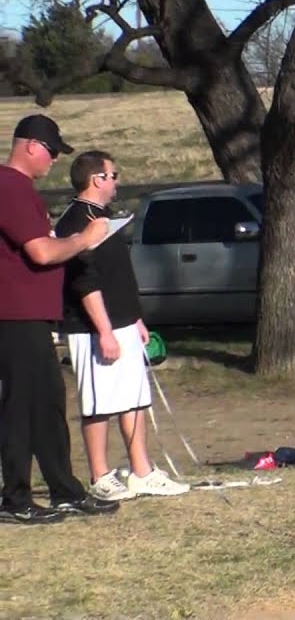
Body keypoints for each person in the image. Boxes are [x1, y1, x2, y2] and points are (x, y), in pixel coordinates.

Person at [0, 114, 119, 524]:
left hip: (32, 313)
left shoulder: (22, 190)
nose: (53, 161)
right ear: (31, 145)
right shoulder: (10, 187)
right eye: (51, 151)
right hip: (14, 314)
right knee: (21, 407)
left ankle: (64, 489)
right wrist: (84, 239)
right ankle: (15, 498)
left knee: (48, 403)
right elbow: (40, 252)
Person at [55, 150, 190, 500]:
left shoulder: (105, 216)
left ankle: (141, 471)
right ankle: (100, 476)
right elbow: (84, 281)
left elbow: (118, 276)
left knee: (134, 398)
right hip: (93, 329)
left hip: (123, 322)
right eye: (113, 175)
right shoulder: (75, 222)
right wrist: (104, 330)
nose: (117, 181)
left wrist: (135, 319)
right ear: (97, 179)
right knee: (100, 404)